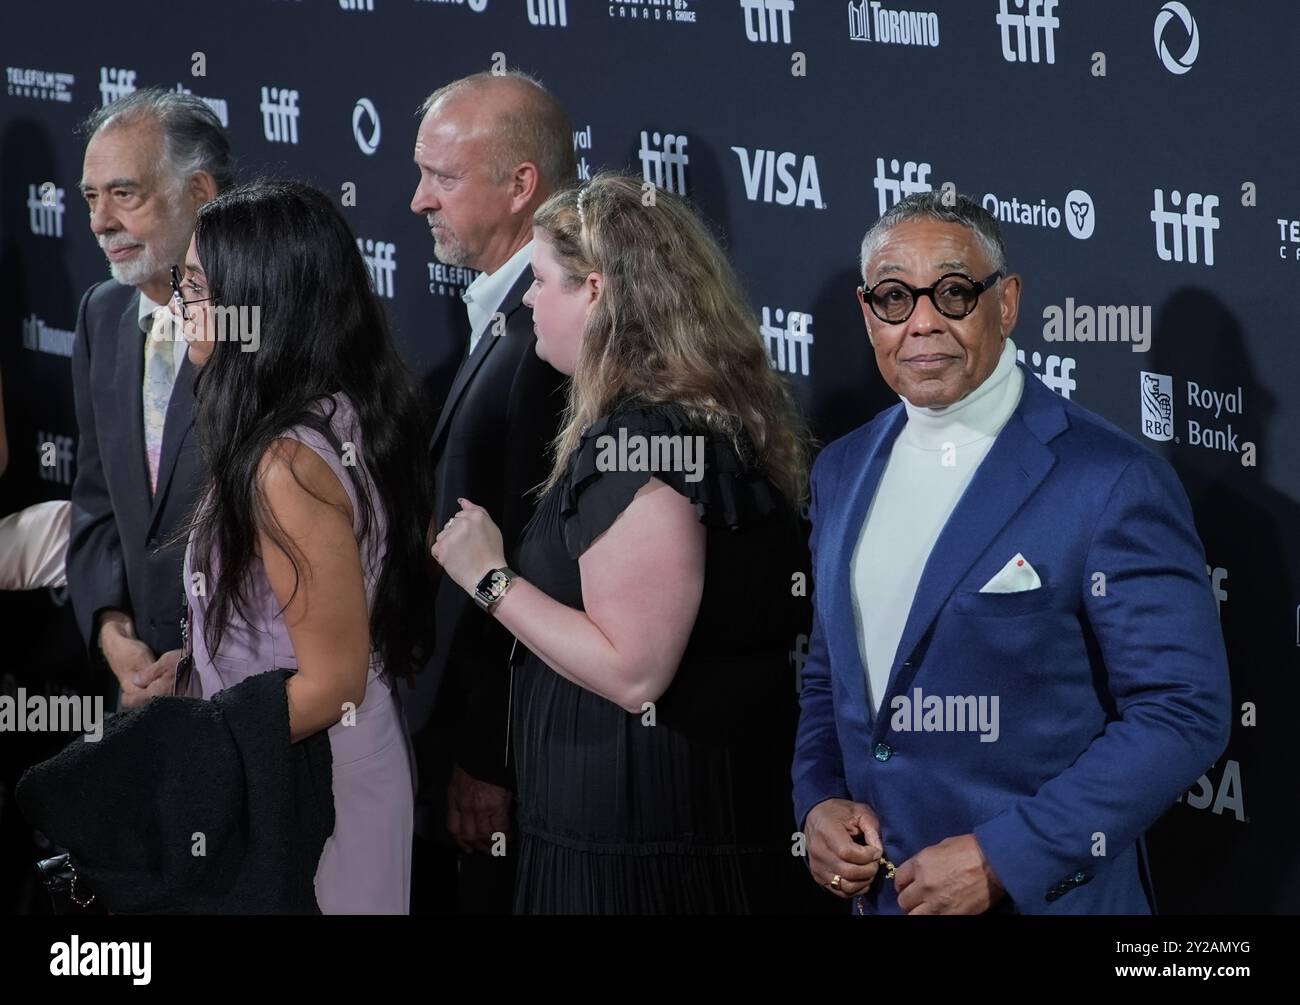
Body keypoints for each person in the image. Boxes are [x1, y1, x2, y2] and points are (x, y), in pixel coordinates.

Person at [792, 191, 1232, 914]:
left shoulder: (1109, 479)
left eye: (955, 292)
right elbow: (828, 675)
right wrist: (818, 799)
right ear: (869, 312)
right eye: (896, 297)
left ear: (1008, 302)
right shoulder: (841, 468)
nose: (924, 321)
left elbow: (1182, 711)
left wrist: (1006, 857)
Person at [432, 173, 811, 913]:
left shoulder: (641, 444)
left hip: (637, 846)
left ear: (597, 290)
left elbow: (633, 669)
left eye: (540, 281)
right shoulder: (675, 427)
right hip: (628, 821)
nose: (529, 301)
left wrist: (490, 578)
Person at [170, 180, 434, 914]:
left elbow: (334, 680)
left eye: (194, 285)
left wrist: (193, 743)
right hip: (291, 772)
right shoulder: (326, 413)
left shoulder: (287, 465)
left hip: (320, 793)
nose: (176, 306)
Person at [407, 70, 572, 912]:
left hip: (501, 750)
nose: (417, 201)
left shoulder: (549, 343)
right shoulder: (503, 318)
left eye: (442, 177)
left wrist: (488, 755)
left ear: (521, 186)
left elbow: (534, 556)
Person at [68, 87, 232, 707]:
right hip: (140, 698)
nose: (99, 222)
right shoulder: (101, 314)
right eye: (91, 197)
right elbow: (94, 502)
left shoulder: (269, 325)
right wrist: (112, 630)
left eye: (123, 194)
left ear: (200, 193)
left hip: (253, 699)